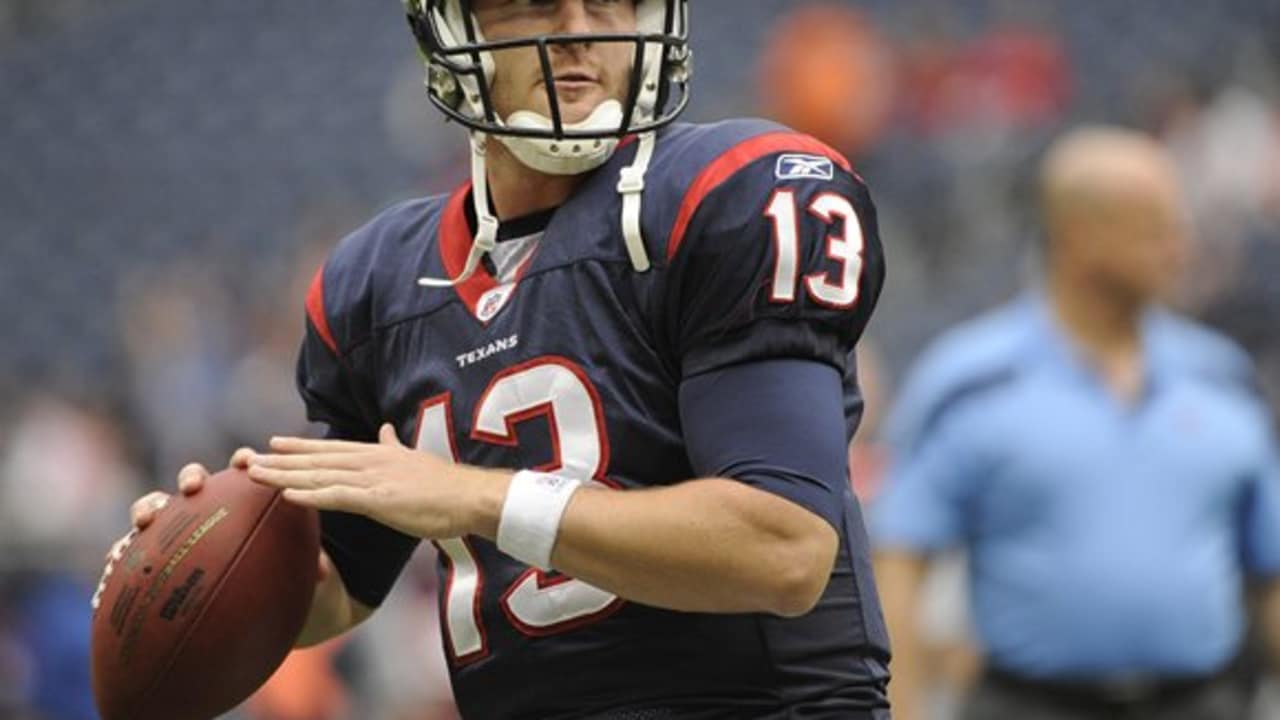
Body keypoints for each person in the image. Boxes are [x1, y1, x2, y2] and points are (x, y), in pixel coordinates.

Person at [112, 1, 891, 717]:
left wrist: (482, 499)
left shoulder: (723, 196)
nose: (582, 28)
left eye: (610, 1)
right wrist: (203, 561)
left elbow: (785, 548)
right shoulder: (381, 285)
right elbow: (337, 595)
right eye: (537, 1)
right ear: (454, 33)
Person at [873, 126, 1280, 720]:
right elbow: (900, 563)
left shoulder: (1223, 378)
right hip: (1031, 704)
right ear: (1076, 237)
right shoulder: (974, 381)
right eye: (1152, 225)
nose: (1179, 244)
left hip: (1202, 702)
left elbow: (1270, 572)